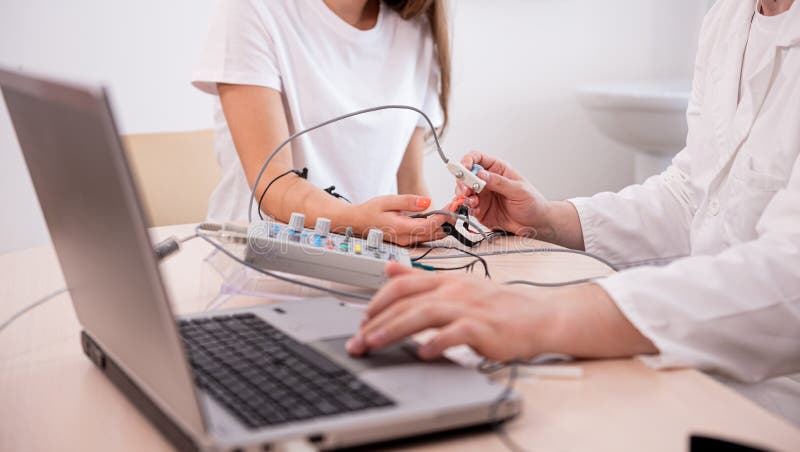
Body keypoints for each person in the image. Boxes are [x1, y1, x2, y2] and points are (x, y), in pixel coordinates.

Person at [347, 0, 800, 424]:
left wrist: (546, 313)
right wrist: (549, 220)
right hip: (695, 362)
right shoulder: (730, 16)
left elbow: (790, 276)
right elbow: (692, 197)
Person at [192, 0, 450, 244]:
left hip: (372, 262)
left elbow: (411, 184)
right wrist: (359, 222)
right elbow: (272, 182)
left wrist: (443, 221)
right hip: (257, 258)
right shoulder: (253, 9)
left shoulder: (416, 30)